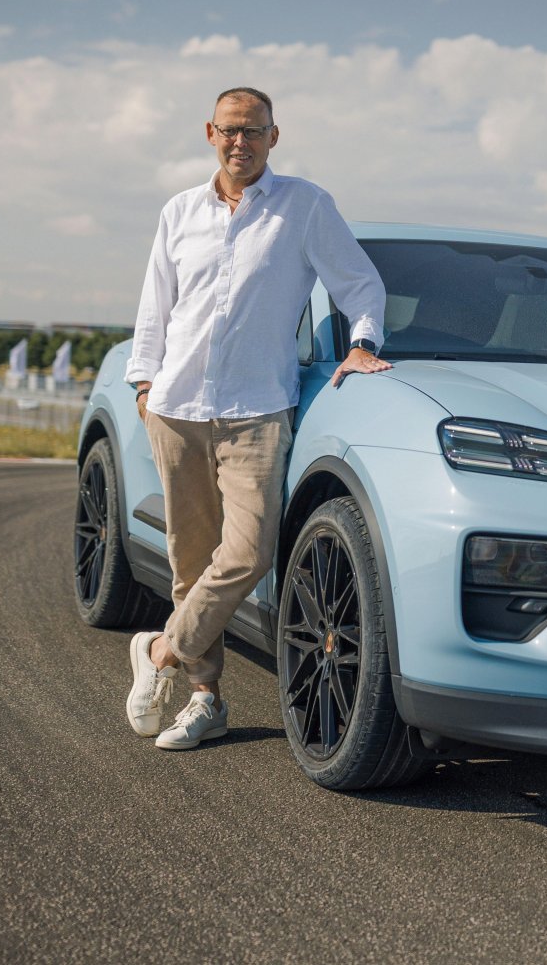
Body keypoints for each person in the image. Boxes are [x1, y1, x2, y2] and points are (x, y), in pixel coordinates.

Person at [121, 86, 391, 751]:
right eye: (231, 130)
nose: (241, 142)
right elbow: (156, 303)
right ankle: (205, 699)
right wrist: (144, 382)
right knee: (190, 565)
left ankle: (159, 652)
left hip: (257, 412)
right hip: (176, 408)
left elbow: (360, 283)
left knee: (245, 555)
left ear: (275, 137)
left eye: (255, 131)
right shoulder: (180, 210)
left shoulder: (305, 207)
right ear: (210, 132)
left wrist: (363, 344)